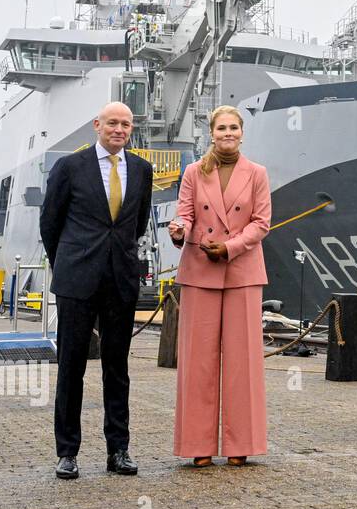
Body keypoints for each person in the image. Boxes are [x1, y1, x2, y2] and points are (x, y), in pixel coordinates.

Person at [39, 101, 154, 480]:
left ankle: (118, 450)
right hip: (77, 279)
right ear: (97, 125)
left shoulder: (141, 169)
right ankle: (67, 452)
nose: (119, 129)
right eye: (112, 123)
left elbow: (136, 225)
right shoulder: (70, 167)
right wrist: (70, 262)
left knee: (117, 368)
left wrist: (115, 258)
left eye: (126, 124)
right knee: (71, 366)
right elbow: (50, 223)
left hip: (120, 279)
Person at [169, 105, 271, 468]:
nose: (227, 134)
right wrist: (179, 229)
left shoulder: (257, 174)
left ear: (242, 133)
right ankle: (197, 445)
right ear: (211, 133)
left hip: (241, 270)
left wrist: (229, 248)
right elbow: (185, 213)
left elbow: (261, 223)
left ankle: (241, 444)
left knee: (244, 361)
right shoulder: (194, 173)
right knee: (198, 361)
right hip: (200, 269)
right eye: (221, 128)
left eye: (233, 128)